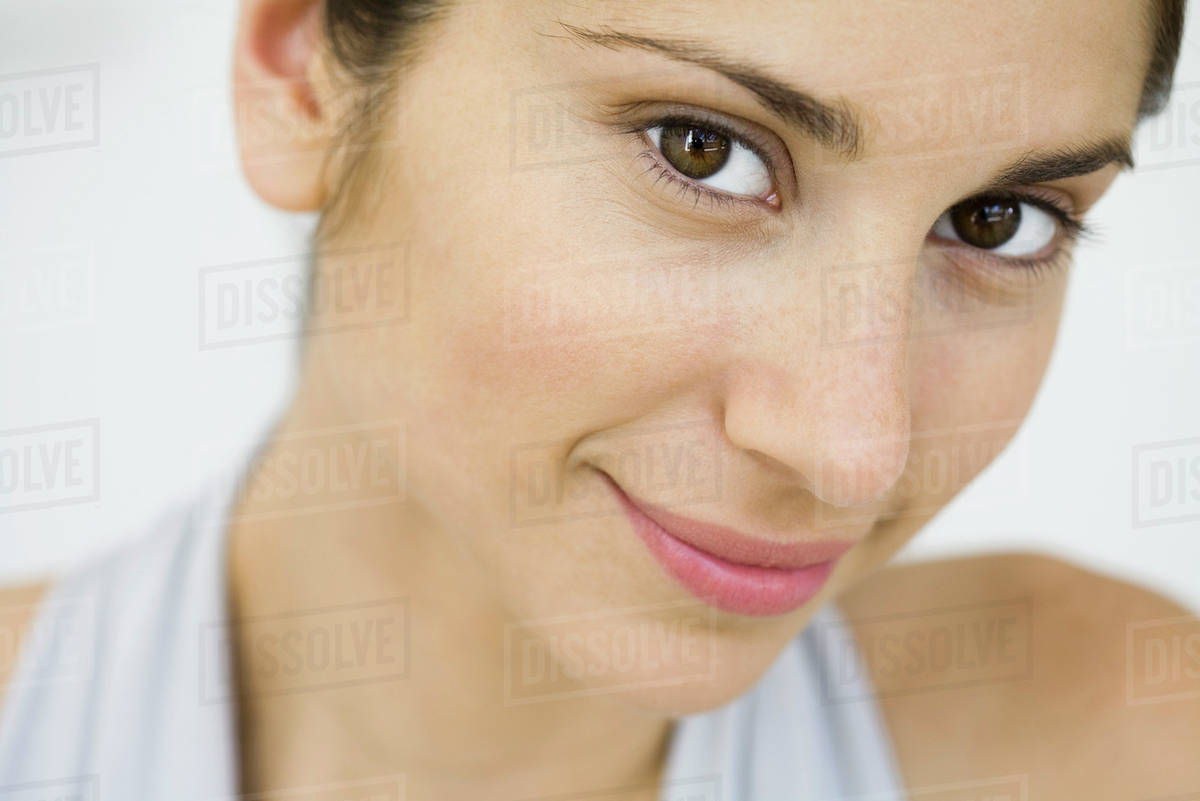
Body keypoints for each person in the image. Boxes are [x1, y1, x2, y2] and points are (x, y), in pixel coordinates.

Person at [0, 1, 1195, 799]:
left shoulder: (1126, 744)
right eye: (700, 150)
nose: (851, 448)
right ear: (302, 67)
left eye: (999, 221)